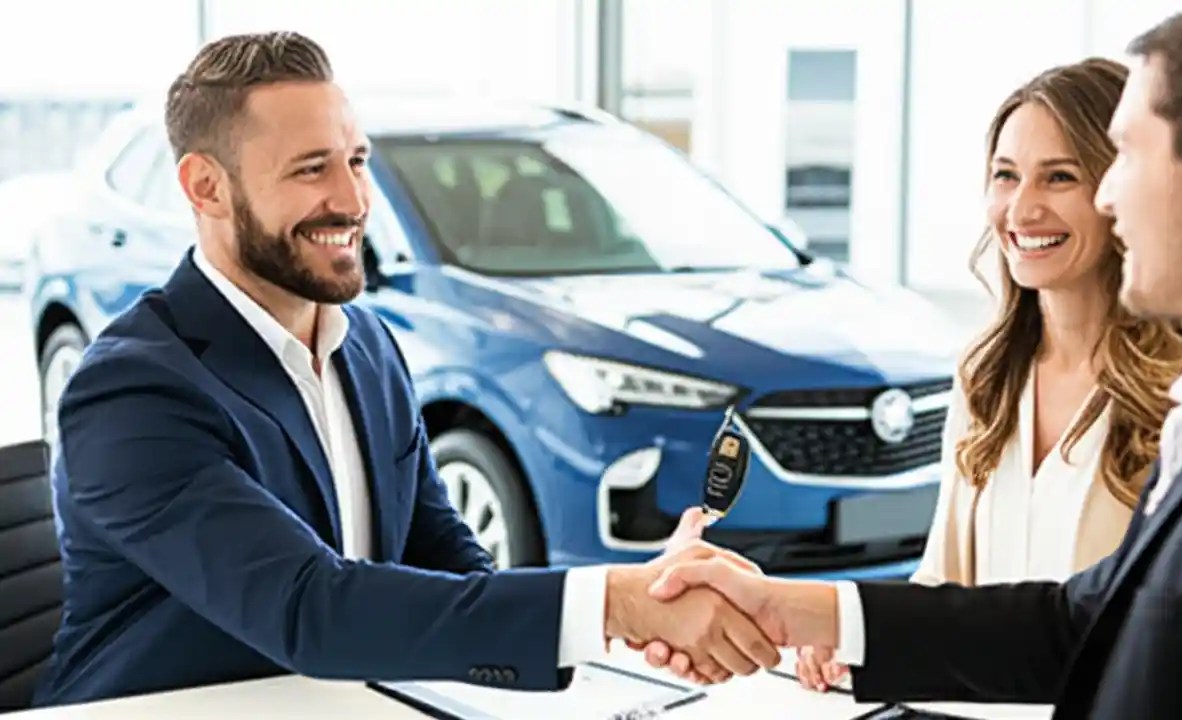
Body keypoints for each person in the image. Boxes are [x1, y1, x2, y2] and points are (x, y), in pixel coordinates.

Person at [33, 32, 779, 707]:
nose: (354, 200)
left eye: (356, 161)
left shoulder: (367, 346)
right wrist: (613, 601)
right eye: (311, 169)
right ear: (206, 187)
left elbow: (451, 569)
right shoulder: (133, 392)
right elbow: (309, 609)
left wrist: (634, 602)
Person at [646, 0, 1182, 716]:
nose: (1106, 194)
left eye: (1119, 157)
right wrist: (808, 612)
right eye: (1007, 175)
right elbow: (1072, 623)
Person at [792, 56, 1182, 692]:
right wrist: (859, 641)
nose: (1022, 208)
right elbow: (943, 582)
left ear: (1120, 190)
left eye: (1059, 178)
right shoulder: (985, 373)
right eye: (1005, 176)